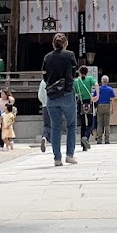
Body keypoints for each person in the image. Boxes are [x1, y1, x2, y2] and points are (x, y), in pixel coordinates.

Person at [41, 32, 79, 166]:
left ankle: (57, 158)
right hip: (67, 92)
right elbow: (74, 72)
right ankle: (70, 155)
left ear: (53, 44)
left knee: (55, 127)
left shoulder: (47, 57)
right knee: (71, 125)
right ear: (66, 44)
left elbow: (44, 76)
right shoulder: (70, 55)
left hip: (52, 95)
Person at [74, 65, 96, 151]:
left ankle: (83, 146)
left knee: (83, 123)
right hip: (89, 102)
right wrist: (96, 95)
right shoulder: (90, 79)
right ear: (87, 72)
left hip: (81, 102)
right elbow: (96, 84)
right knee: (90, 123)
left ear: (79, 72)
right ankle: (86, 137)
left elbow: (75, 92)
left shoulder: (76, 81)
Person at [96, 75, 117, 143]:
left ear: (101, 81)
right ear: (108, 81)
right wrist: (113, 108)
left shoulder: (99, 89)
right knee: (107, 124)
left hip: (100, 106)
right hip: (107, 106)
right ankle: (107, 139)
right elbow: (113, 100)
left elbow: (94, 97)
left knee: (100, 124)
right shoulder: (110, 89)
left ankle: (99, 139)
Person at [37, 77, 51, 153]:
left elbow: (40, 95)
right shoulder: (56, 77)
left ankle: (45, 137)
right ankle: (52, 141)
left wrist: (44, 102)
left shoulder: (43, 81)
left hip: (45, 106)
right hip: (54, 105)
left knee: (46, 124)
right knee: (55, 125)